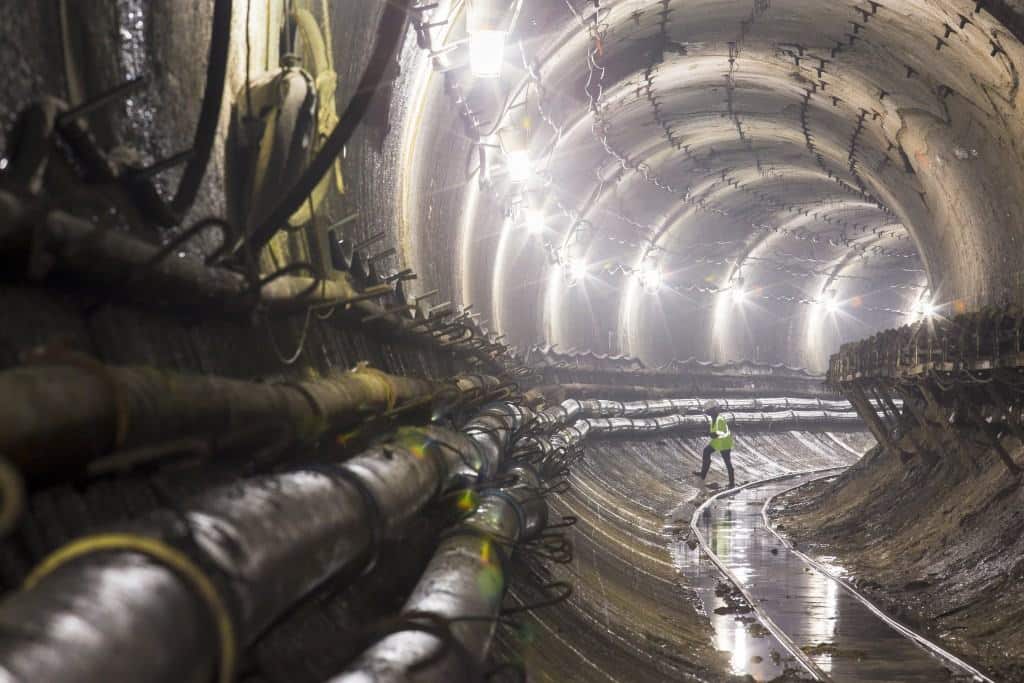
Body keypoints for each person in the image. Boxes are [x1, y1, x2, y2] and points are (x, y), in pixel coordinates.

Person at [693, 400, 735, 488]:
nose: (708, 413)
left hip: (724, 442)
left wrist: (710, 434)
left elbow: (717, 434)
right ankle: (703, 474)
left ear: (712, 411)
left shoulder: (719, 419)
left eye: (708, 412)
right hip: (718, 441)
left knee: (727, 461)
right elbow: (713, 431)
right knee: (706, 452)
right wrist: (707, 433)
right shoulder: (714, 418)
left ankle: (732, 483)